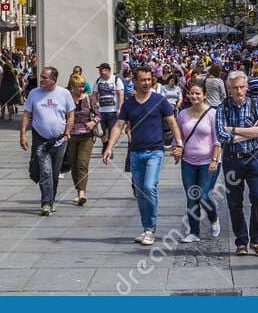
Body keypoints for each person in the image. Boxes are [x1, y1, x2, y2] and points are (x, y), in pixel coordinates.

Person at [103, 66, 183, 245]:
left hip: (155, 151)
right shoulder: (129, 104)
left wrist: (179, 143)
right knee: (140, 193)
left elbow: (172, 122)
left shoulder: (159, 100)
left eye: (149, 79)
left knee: (149, 187)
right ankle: (146, 228)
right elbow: (118, 126)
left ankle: (151, 229)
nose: (146, 83)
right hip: (136, 153)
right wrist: (109, 147)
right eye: (143, 80)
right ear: (135, 81)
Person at [215, 70, 258, 257]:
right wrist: (249, 131)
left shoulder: (256, 105)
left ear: (247, 87)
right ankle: (241, 241)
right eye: (234, 88)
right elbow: (221, 135)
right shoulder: (223, 108)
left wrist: (235, 131)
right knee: (235, 203)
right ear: (228, 89)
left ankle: (257, 240)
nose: (239, 91)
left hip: (254, 158)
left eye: (241, 87)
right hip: (232, 160)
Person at [19, 67, 76, 216]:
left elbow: (71, 116)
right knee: (45, 171)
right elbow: (26, 115)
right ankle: (46, 203)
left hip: (59, 140)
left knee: (55, 172)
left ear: (53, 80)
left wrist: (67, 133)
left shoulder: (64, 94)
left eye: (45, 77)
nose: (41, 80)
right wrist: (23, 135)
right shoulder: (34, 93)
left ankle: (51, 200)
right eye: (41, 77)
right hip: (41, 140)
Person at [177, 79, 223, 242]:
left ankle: (214, 219)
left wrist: (214, 160)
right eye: (192, 93)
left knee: (203, 195)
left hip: (209, 162)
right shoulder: (182, 114)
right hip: (188, 162)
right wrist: (178, 149)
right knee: (191, 197)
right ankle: (194, 232)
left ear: (204, 96)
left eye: (198, 93)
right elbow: (181, 137)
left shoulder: (213, 113)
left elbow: (217, 140)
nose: (194, 96)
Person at [63, 76, 97, 205]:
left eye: (83, 86)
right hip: (71, 136)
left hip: (86, 135)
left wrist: (93, 122)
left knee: (82, 163)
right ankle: (78, 190)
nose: (82, 89)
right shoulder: (66, 99)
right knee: (73, 165)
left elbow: (99, 114)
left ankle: (82, 193)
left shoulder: (89, 98)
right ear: (72, 87)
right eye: (79, 86)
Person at [94, 63, 122, 154]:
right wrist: (95, 104)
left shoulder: (116, 80)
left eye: (101, 70)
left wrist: (119, 108)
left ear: (108, 70)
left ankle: (109, 149)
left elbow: (120, 94)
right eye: (99, 70)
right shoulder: (98, 80)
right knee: (102, 131)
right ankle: (105, 145)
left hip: (112, 110)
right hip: (101, 111)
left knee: (111, 131)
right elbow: (94, 94)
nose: (100, 72)